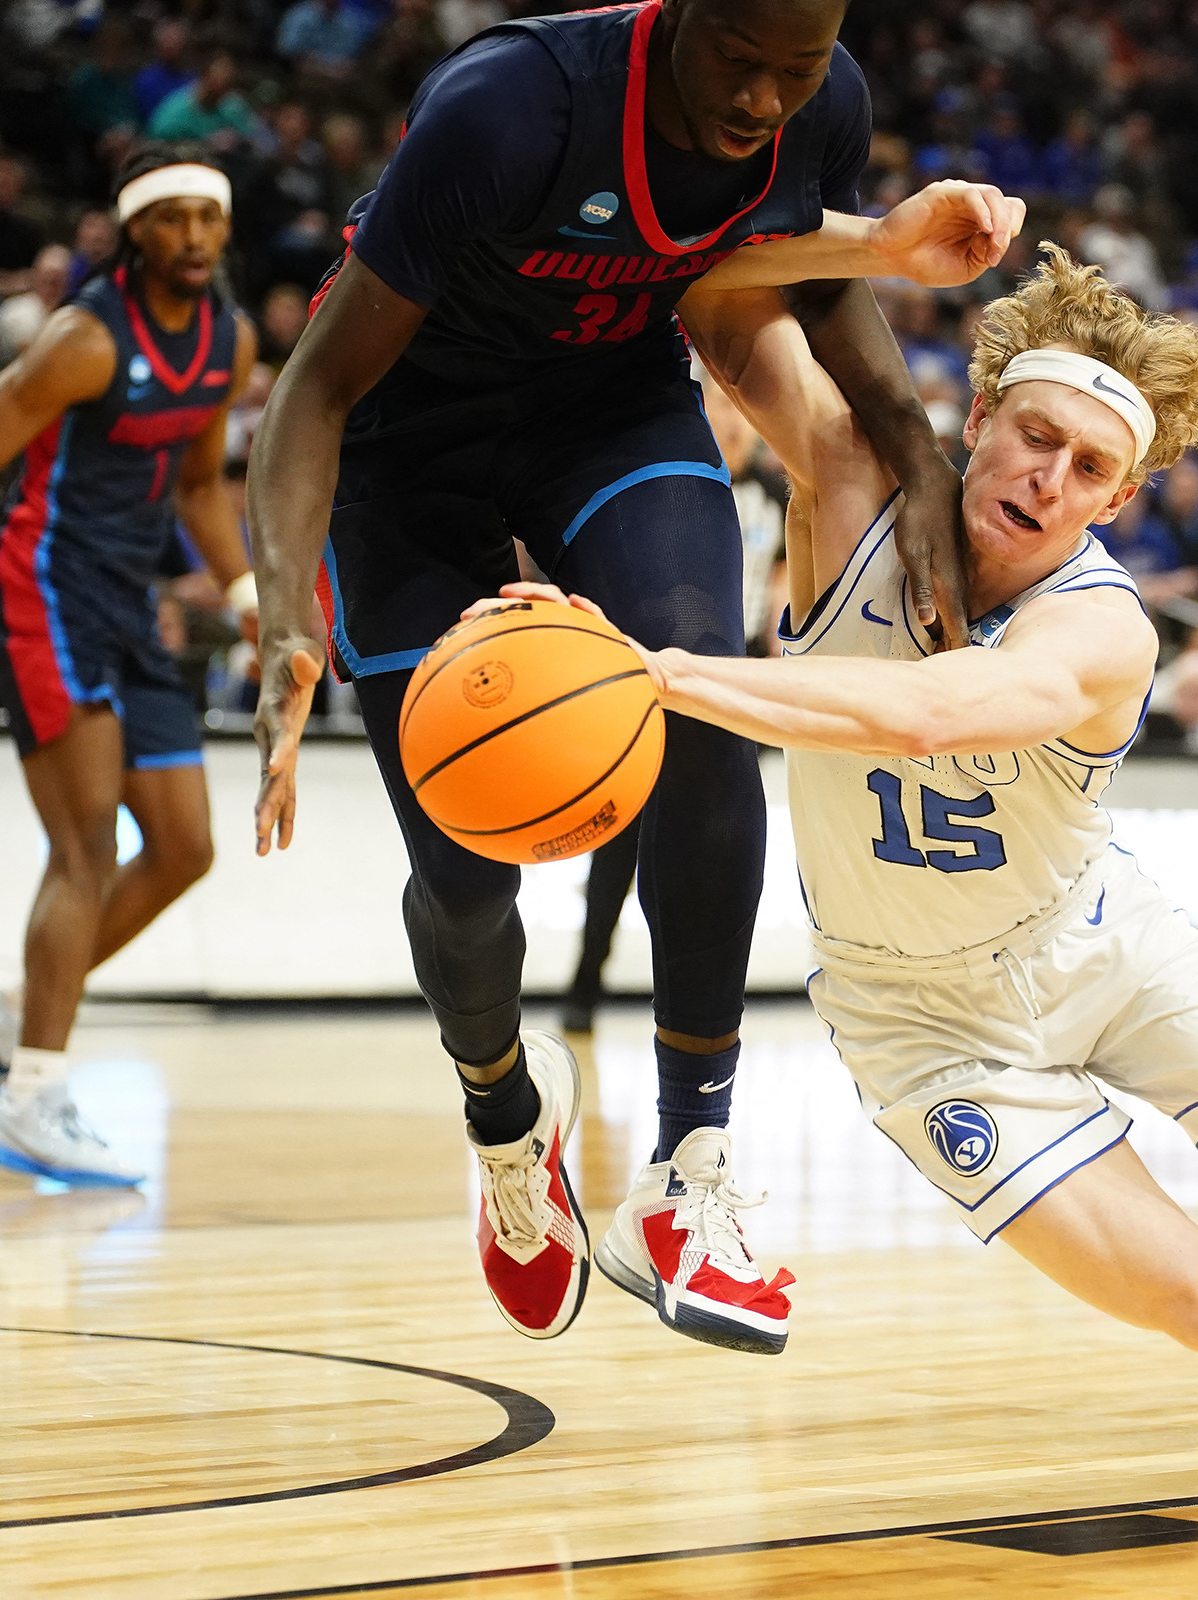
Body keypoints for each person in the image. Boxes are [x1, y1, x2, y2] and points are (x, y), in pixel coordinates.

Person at [497, 243, 1198, 1437]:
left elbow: (929, 716)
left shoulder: (1104, 629)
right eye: (1033, 436)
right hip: (921, 1023)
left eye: (1089, 468)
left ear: (1117, 500)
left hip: (1103, 950)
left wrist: (651, 671)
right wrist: (871, 245)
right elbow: (715, 300)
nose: (1048, 478)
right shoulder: (851, 481)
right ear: (976, 419)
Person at [246, 0, 1025, 1353]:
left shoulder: (819, 96)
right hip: (405, 445)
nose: (771, 99)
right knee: (467, 868)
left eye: (798, 69)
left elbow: (808, 262)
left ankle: (687, 1164)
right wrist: (277, 620)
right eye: (743, 63)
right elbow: (312, 389)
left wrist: (911, 442)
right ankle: (503, 1115)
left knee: (706, 695)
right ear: (678, 22)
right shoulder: (510, 106)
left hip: (607, 415)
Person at [0, 147, 255, 1186]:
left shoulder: (228, 342)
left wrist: (248, 603)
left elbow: (200, 489)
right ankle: (33, 1095)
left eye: (209, 217)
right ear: (131, 230)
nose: (193, 237)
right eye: (171, 219)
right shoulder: (84, 339)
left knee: (187, 845)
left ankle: (17, 1013)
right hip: (44, 594)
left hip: (129, 605)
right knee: (86, 846)